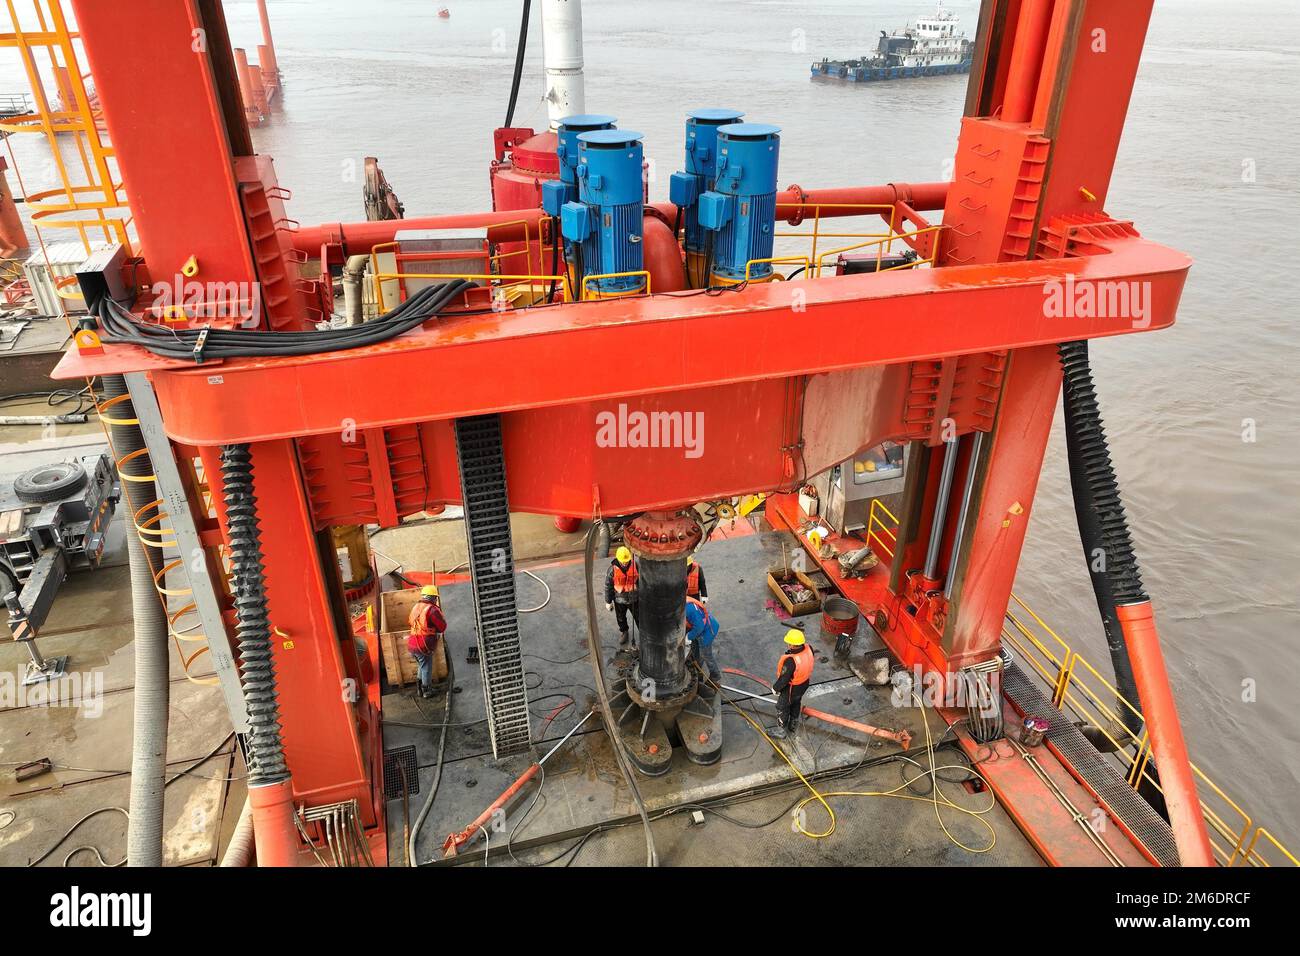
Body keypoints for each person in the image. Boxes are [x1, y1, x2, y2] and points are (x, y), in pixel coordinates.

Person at [771, 628, 814, 738]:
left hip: (791, 689)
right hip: (804, 684)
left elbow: (784, 679)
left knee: (782, 707)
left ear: (792, 645)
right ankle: (793, 723)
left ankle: (781, 731)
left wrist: (776, 688)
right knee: (796, 703)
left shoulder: (791, 661)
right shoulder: (809, 649)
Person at [407, 584, 447, 698]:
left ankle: (419, 688)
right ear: (433, 598)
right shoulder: (432, 610)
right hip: (423, 645)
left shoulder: (416, 607)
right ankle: (426, 690)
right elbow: (442, 626)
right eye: (435, 598)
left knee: (422, 665)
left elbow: (411, 622)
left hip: (412, 643)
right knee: (426, 667)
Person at [604, 545, 639, 649]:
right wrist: (608, 601)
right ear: (618, 559)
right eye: (623, 561)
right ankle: (624, 632)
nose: (625, 563)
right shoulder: (612, 570)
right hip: (620, 599)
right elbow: (608, 586)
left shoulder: (635, 565)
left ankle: (644, 634)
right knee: (620, 618)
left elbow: (641, 581)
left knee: (639, 617)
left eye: (627, 561)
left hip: (634, 598)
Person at [684, 594, 720, 682]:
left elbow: (699, 626)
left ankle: (715, 675)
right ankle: (697, 666)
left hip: (707, 632)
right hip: (698, 629)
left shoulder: (689, 609)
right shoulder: (683, 603)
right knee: (695, 648)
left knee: (706, 654)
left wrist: (688, 637)